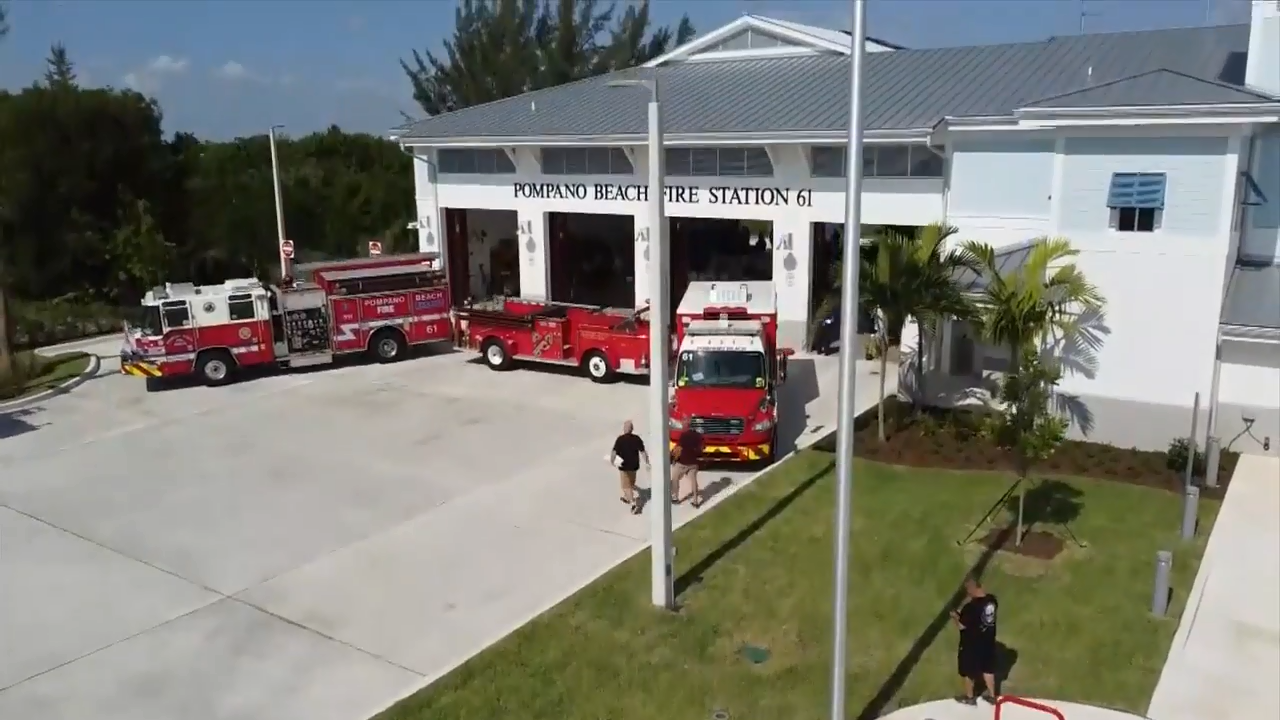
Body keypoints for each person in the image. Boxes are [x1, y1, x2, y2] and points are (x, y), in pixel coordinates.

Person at [951, 576, 999, 706]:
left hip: (972, 643)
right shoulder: (992, 601)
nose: (967, 593)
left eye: (968, 590)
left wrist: (955, 617)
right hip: (988, 641)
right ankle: (992, 696)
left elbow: (962, 626)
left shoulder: (970, 607)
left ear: (972, 589)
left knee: (967, 670)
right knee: (987, 668)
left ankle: (970, 697)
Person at [610, 420, 649, 514]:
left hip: (624, 466)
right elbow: (643, 451)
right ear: (632, 429)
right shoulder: (637, 438)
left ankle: (633, 503)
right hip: (634, 466)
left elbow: (614, 452)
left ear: (624, 429)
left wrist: (612, 460)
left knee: (625, 486)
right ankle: (626, 497)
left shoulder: (620, 439)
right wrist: (647, 462)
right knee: (631, 483)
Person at [671, 426, 704, 508]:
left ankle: (675, 497)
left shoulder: (684, 435)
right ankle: (695, 501)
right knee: (693, 482)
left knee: (675, 479)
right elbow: (701, 451)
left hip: (682, 462)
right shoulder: (699, 437)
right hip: (693, 463)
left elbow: (678, 447)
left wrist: (673, 457)